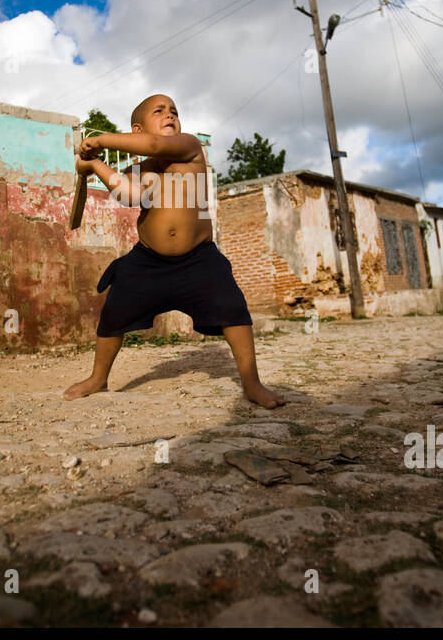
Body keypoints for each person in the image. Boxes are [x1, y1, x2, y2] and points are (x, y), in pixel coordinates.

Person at [63, 94, 284, 408]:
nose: (170, 115)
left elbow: (154, 145)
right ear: (137, 130)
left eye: (174, 112)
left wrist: (97, 142)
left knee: (232, 308)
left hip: (199, 259)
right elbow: (128, 195)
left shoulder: (188, 149)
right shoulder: (142, 170)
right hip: (148, 260)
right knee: (114, 312)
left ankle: (252, 383)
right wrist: (93, 165)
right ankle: (98, 378)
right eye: (160, 111)